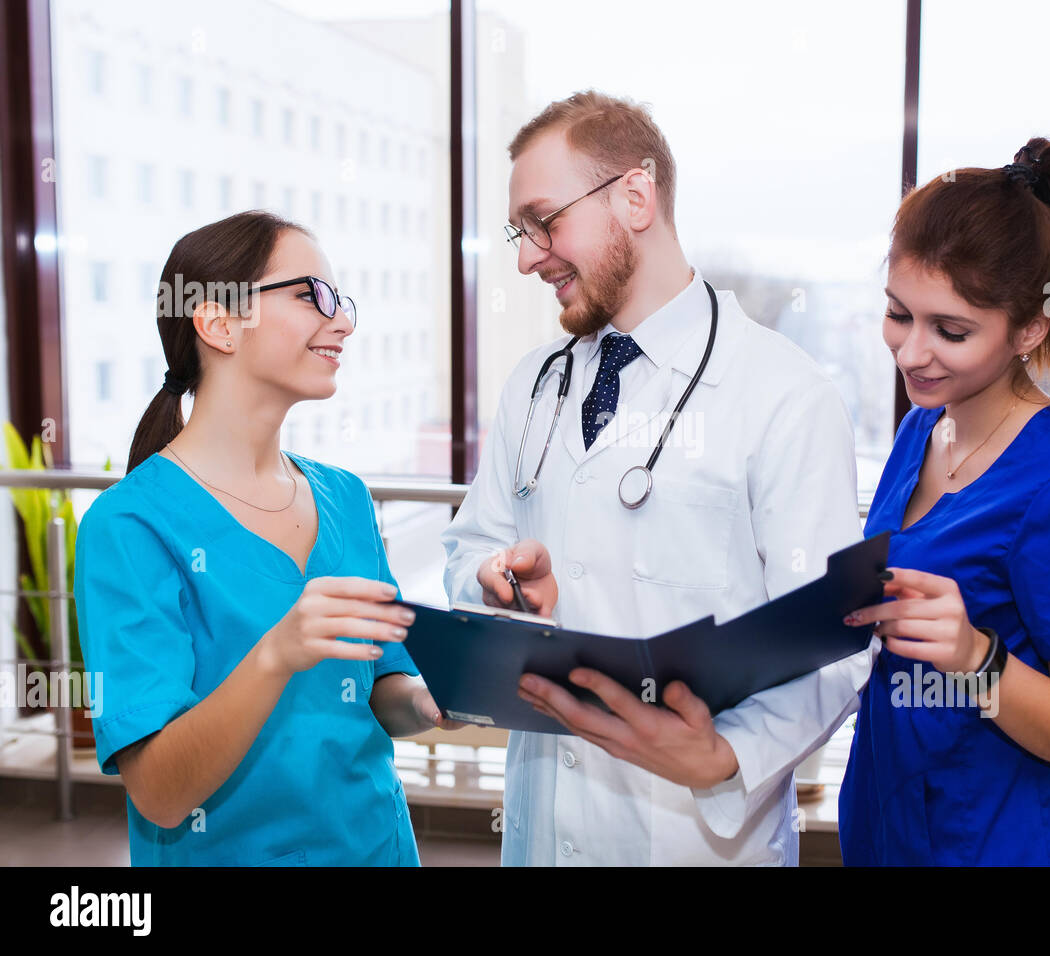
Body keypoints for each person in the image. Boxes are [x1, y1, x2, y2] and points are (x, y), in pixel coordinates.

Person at [441, 90, 875, 866]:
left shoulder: (782, 392)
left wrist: (728, 756)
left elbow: (835, 633)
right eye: (518, 231)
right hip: (542, 832)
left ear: (635, 197)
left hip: (695, 838)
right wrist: (491, 578)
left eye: (543, 222)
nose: (526, 256)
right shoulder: (534, 384)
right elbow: (471, 542)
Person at [73, 211, 443, 866]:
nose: (344, 322)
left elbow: (385, 689)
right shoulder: (129, 528)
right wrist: (275, 654)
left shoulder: (346, 498)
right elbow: (159, 793)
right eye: (311, 296)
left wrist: (443, 697)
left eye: (341, 300)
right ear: (217, 323)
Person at [837, 138, 1050, 864]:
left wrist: (977, 659)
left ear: (1031, 328)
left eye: (950, 331)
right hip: (893, 835)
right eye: (898, 314)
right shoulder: (922, 431)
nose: (911, 353)